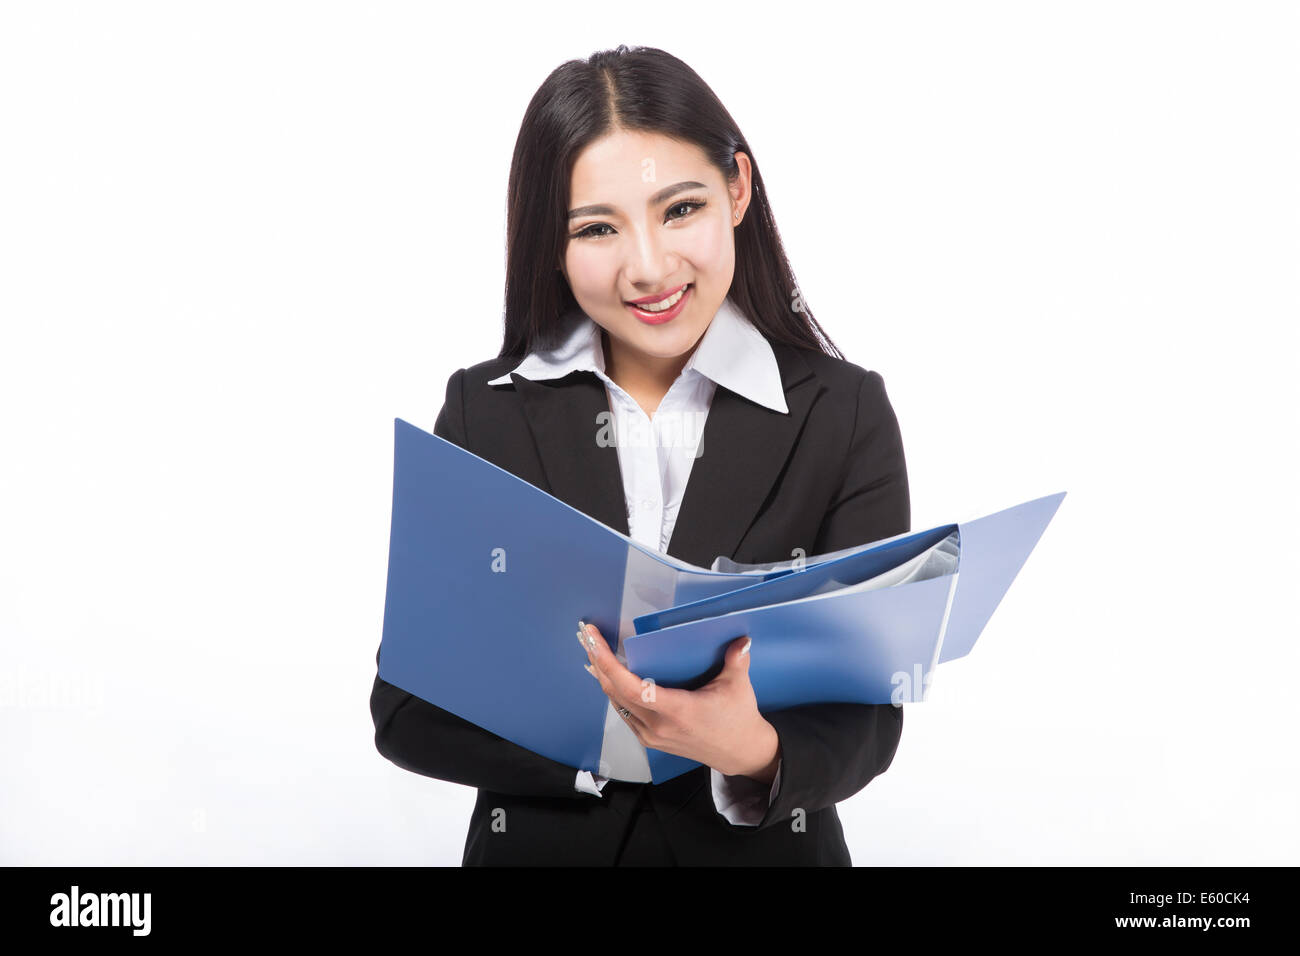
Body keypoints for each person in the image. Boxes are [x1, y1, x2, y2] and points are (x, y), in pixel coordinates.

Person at [369, 44, 908, 866]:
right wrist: (612, 746)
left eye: (679, 209)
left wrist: (751, 752)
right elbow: (405, 711)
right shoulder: (486, 413)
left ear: (737, 188)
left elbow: (869, 718)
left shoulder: (844, 412)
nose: (649, 267)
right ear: (549, 244)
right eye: (596, 228)